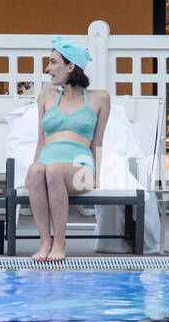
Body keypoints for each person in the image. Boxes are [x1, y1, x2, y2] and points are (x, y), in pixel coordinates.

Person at [27, 36, 110, 262]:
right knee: (36, 171)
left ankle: (60, 242)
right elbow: (41, 141)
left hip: (79, 169)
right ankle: (46, 241)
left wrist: (97, 178)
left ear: (71, 66)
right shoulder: (46, 95)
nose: (48, 68)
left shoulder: (99, 98)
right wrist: (32, 170)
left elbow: (98, 143)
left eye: (53, 62)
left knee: (52, 171)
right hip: (47, 166)